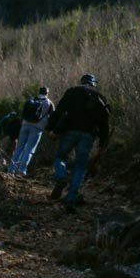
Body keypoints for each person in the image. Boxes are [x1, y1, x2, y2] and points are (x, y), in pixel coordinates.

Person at [48, 73, 110, 211]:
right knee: (80, 166)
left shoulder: (72, 92)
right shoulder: (99, 96)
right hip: (88, 135)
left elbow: (59, 110)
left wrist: (51, 128)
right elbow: (104, 121)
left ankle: (61, 176)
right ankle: (71, 198)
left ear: (81, 82)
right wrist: (103, 140)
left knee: (60, 157)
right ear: (93, 84)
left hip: (69, 131)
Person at [7, 85, 55, 177]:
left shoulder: (31, 100)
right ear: (47, 93)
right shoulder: (49, 103)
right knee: (29, 150)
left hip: (24, 125)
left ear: (39, 92)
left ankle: (11, 169)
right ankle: (21, 171)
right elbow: (52, 117)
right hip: (37, 128)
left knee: (19, 148)